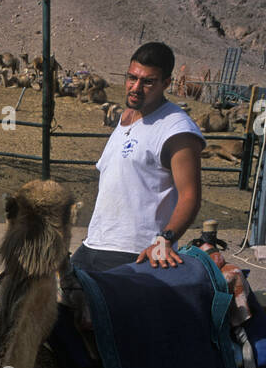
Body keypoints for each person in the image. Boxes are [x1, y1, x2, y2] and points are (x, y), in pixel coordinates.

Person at [73, 41, 204, 273]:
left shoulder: (176, 129)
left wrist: (165, 239)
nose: (135, 87)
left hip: (137, 251)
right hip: (94, 243)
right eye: (132, 78)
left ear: (165, 83)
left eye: (148, 82)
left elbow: (190, 195)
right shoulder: (125, 118)